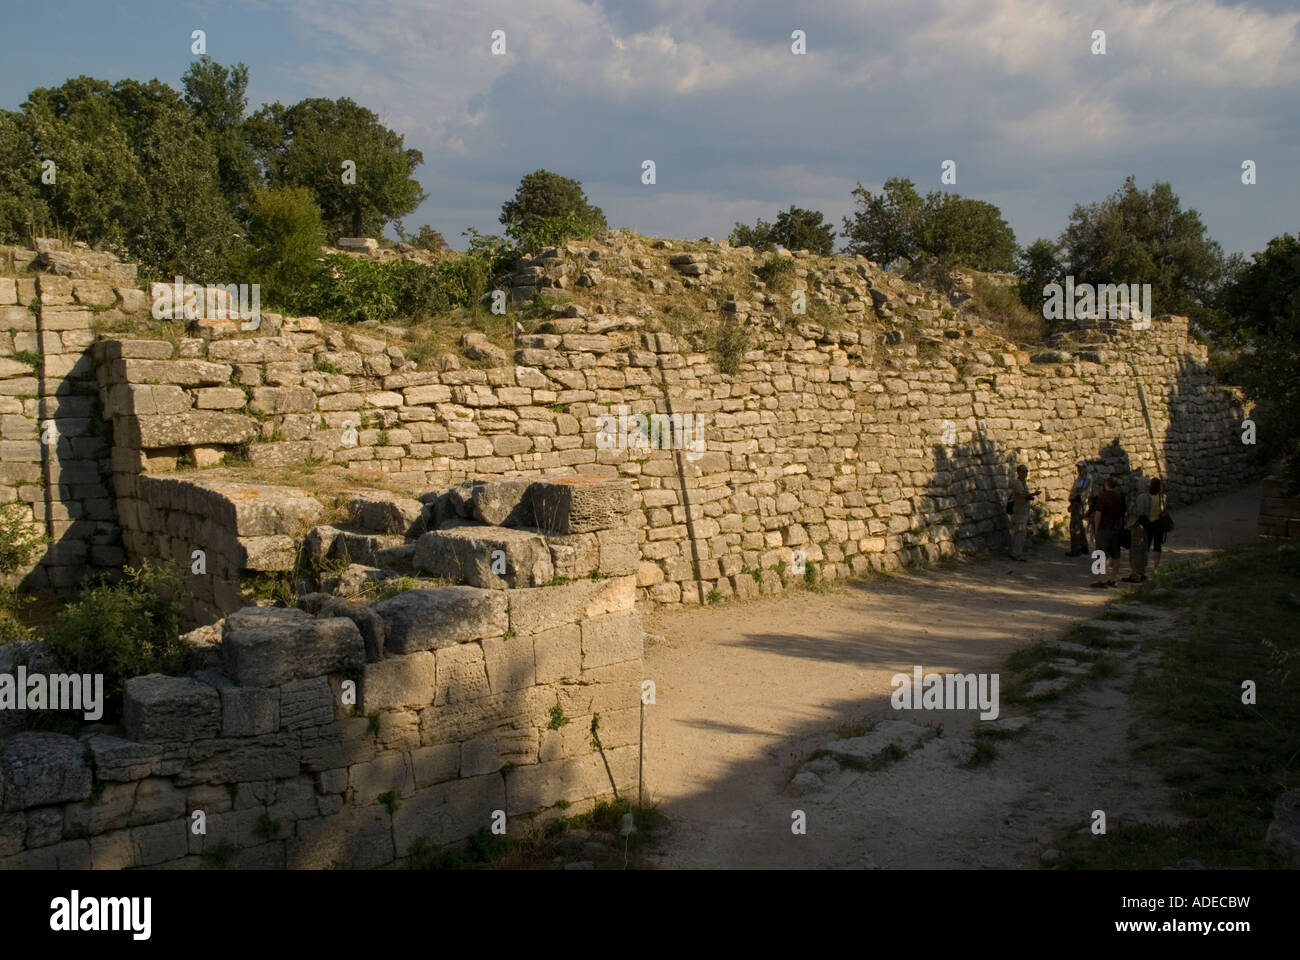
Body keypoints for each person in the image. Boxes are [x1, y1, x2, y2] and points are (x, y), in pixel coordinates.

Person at [1090, 475, 1126, 588]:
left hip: (1104, 529)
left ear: (1106, 484)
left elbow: (1098, 514)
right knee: (1116, 555)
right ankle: (1113, 579)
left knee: (1101, 554)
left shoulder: (1103, 496)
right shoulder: (1120, 496)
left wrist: (1095, 528)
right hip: (1116, 529)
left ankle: (1102, 579)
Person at [1008, 464, 1041, 562]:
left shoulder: (1023, 483)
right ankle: (1015, 554)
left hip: (1023, 511)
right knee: (1019, 532)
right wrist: (1033, 494)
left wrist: (1030, 496)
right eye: (1023, 471)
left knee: (1021, 533)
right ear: (1018, 472)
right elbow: (1022, 495)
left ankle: (1016, 552)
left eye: (1026, 471)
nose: (1025, 473)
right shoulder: (1018, 483)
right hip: (1019, 511)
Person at [1124, 477, 1152, 583]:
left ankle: (1136, 574)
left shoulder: (1141, 497)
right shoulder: (1149, 496)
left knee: (1135, 551)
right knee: (1143, 551)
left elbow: (1139, 511)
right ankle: (1142, 572)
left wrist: (1131, 508)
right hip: (1146, 525)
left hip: (1138, 525)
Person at [1066, 460, 1092, 556]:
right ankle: (1084, 546)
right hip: (1076, 503)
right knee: (1079, 525)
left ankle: (1075, 549)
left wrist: (1073, 501)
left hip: (1079, 503)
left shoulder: (1086, 478)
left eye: (1081, 467)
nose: (1079, 469)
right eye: (1078, 467)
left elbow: (1080, 489)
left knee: (1074, 526)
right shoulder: (1082, 477)